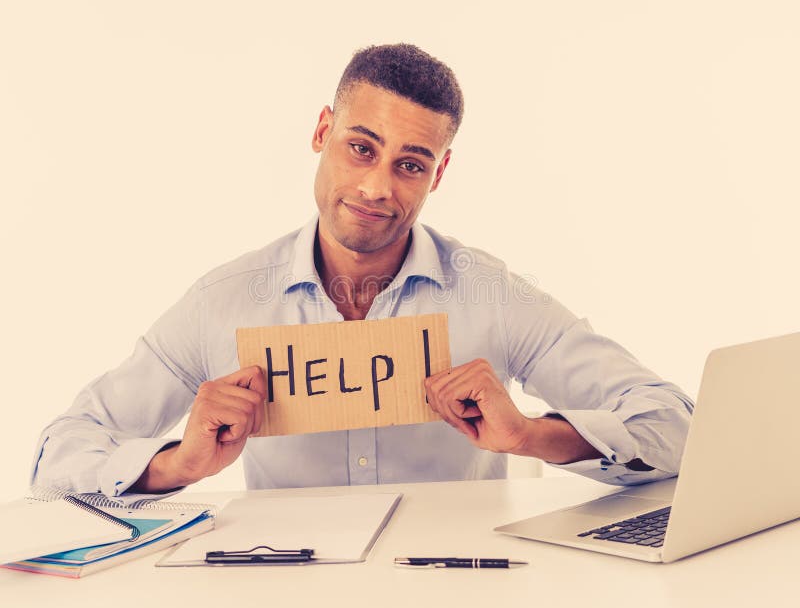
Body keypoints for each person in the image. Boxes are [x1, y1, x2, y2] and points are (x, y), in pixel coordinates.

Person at [31, 44, 693, 499]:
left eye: (410, 164)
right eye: (360, 148)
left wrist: (530, 435)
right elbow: (59, 457)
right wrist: (177, 463)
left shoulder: (493, 296)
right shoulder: (221, 303)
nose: (377, 187)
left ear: (438, 173)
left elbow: (678, 428)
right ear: (323, 131)